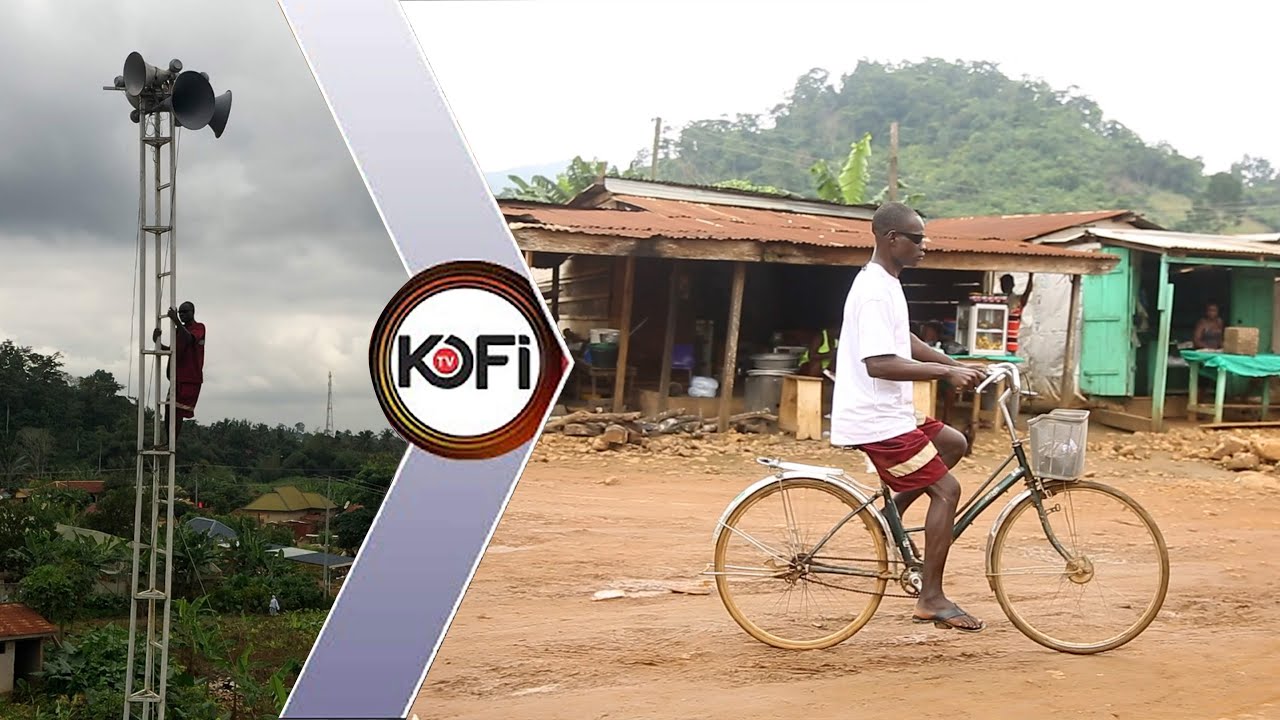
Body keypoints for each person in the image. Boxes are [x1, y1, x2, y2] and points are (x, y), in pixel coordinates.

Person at [831, 202, 988, 633]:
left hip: (894, 412)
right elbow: (880, 363)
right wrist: (944, 372)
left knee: (953, 443)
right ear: (890, 239)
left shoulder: (887, 283)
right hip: (876, 419)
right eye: (916, 239)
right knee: (946, 491)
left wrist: (957, 363)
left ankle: (890, 518)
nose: (924, 246)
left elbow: (906, 340)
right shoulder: (874, 289)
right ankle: (931, 598)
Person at [152, 301, 206, 449]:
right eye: (180, 313)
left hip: (190, 378)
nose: (182, 315)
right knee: (169, 409)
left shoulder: (199, 327)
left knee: (178, 410)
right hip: (177, 377)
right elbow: (171, 351)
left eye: (185, 312)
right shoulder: (179, 331)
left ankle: (171, 444)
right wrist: (156, 341)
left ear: (193, 312)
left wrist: (175, 320)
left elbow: (189, 339)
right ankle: (168, 442)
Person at [1000, 273, 1034, 355]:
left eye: (1007, 284)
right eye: (1003, 284)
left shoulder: (1018, 300)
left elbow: (1028, 291)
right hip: (999, 340)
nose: (1005, 286)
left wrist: (1031, 277)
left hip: (1012, 341)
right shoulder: (999, 300)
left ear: (1013, 285)